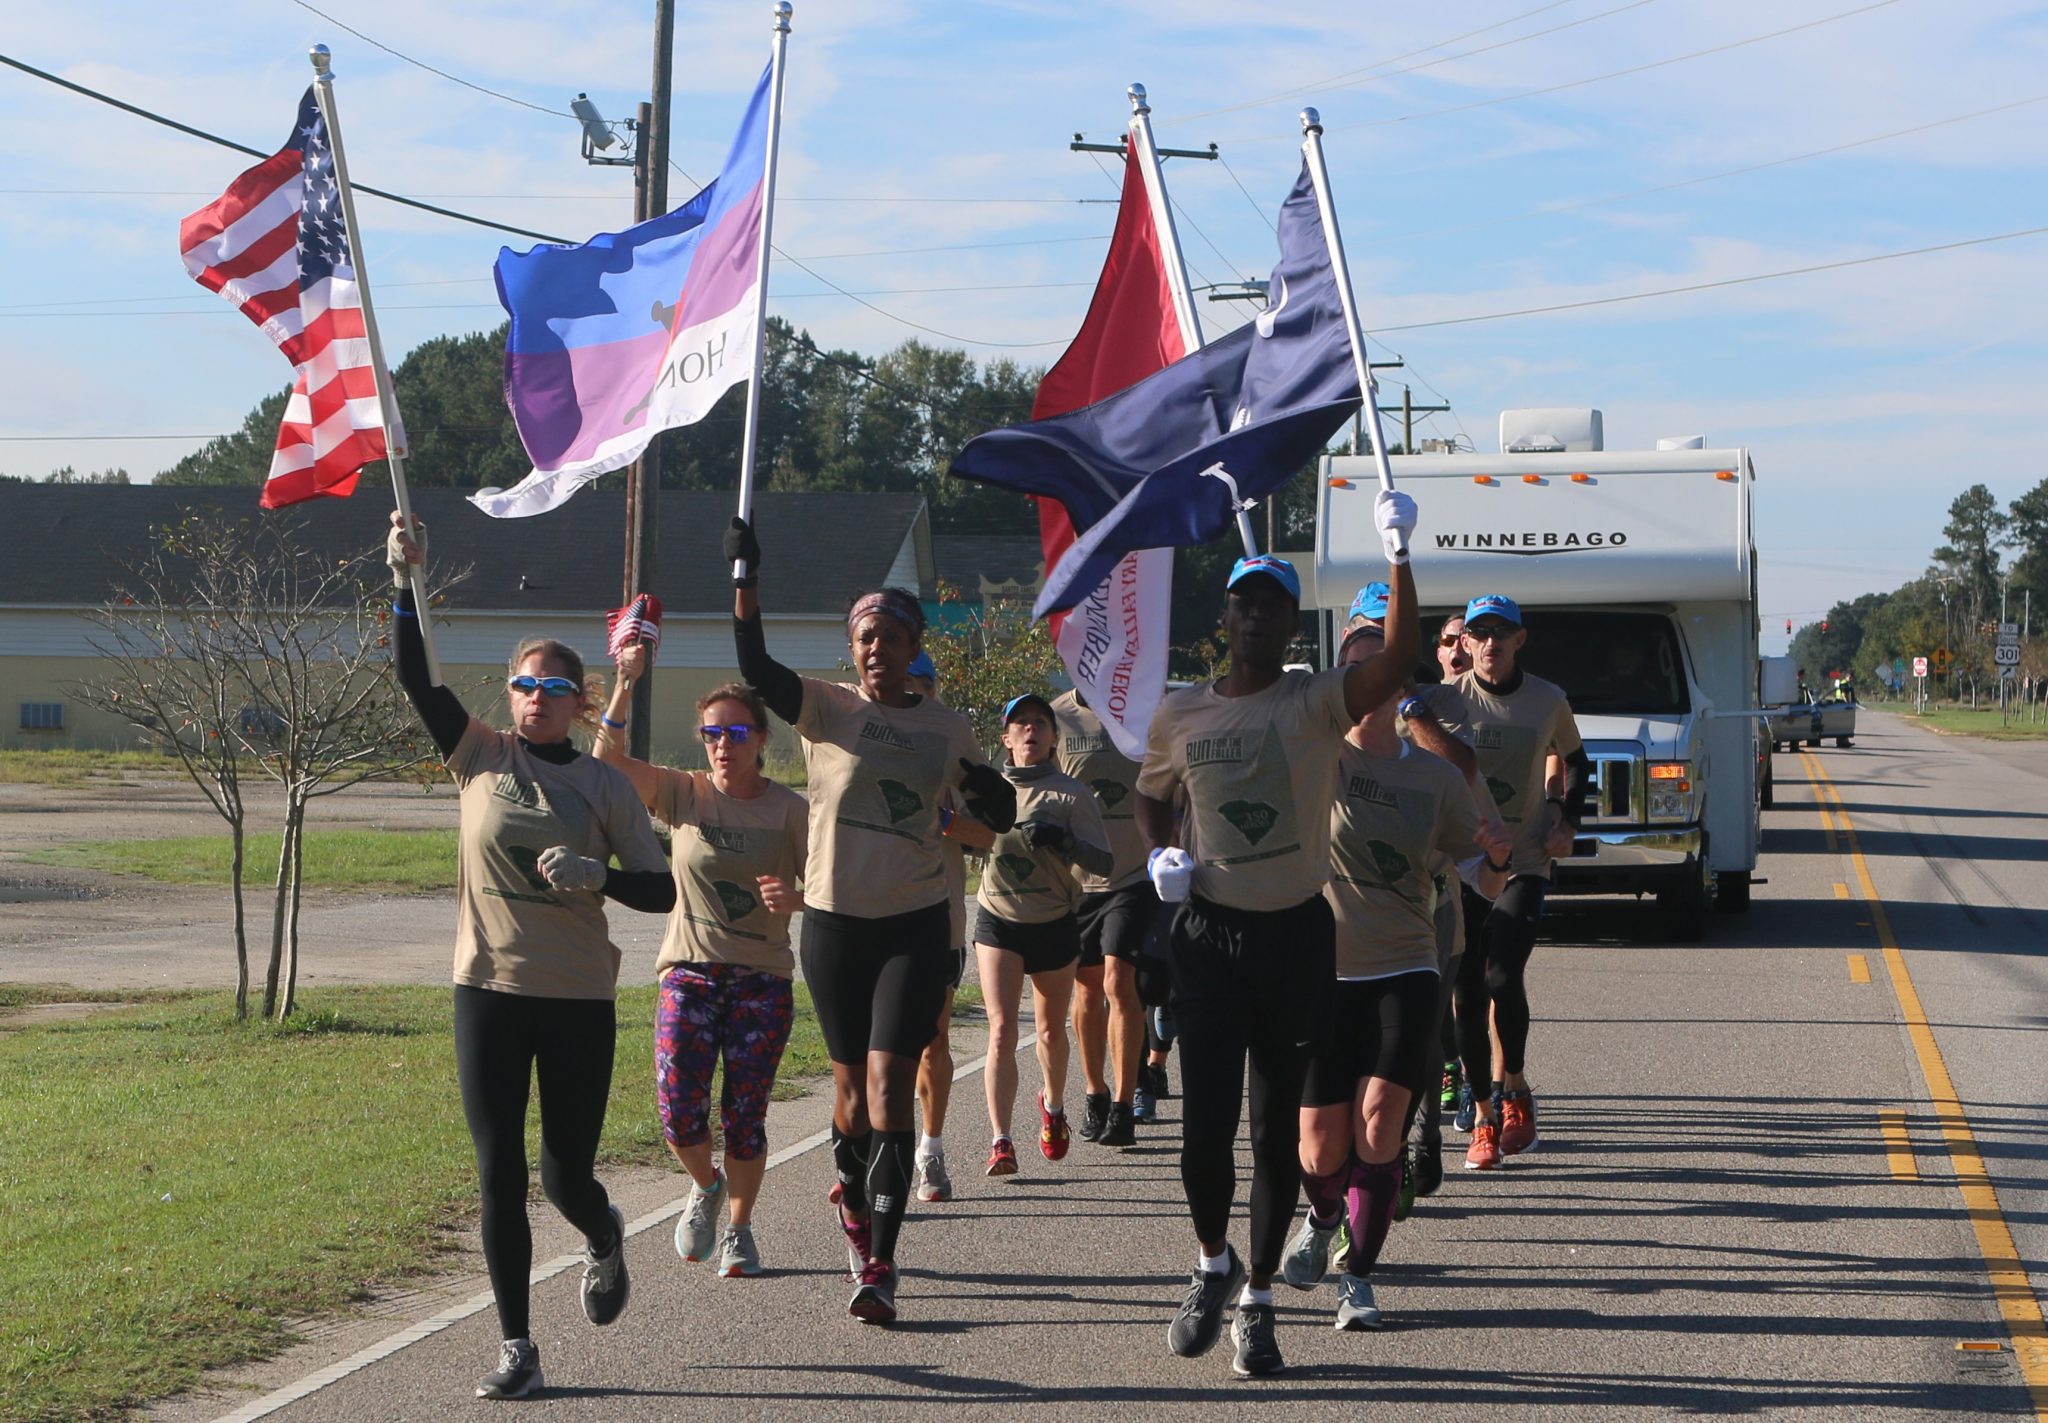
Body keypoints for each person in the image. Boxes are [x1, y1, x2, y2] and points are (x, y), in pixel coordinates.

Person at [384, 514, 675, 1400]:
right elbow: (413, 676)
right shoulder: (478, 753)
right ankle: (517, 1343)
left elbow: (661, 890)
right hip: (488, 990)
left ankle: (604, 1233)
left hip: (577, 997)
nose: (538, 695)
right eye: (524, 682)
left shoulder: (602, 782)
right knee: (497, 1173)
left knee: (563, 1176)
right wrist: (404, 578)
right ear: (508, 694)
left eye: (555, 685)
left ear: (583, 700)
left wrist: (600, 873)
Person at [1136, 487, 1420, 1381]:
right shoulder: (1182, 711)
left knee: (1272, 1136)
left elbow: (1400, 660)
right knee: (1201, 1133)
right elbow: (1151, 793)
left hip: (1296, 936)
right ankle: (1213, 1260)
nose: (1256, 615)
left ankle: (1257, 1299)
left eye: (1272, 603)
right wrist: (1159, 857)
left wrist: (1399, 557)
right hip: (1208, 937)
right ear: (1225, 613)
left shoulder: (1314, 701)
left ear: (1292, 622)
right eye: (1244, 600)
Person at [724, 516, 1015, 1323]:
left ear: (914, 643)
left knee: (889, 1085)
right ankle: (853, 1203)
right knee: (848, 1095)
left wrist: (995, 800)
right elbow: (754, 665)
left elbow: (989, 807)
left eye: (889, 635)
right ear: (850, 649)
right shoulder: (826, 710)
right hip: (835, 926)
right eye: (863, 637)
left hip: (916, 924)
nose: (875, 647)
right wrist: (745, 578)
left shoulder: (944, 724)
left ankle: (881, 1263)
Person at [1281, 618, 1511, 1329]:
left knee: (1380, 1127)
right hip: (1323, 971)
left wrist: (1497, 857)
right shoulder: (1314, 758)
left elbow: (1484, 877)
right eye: (1354, 666)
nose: (1367, 678)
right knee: (1319, 1146)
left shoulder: (1435, 776)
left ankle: (1358, 1273)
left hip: (1406, 964)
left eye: (1381, 666)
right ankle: (1321, 1217)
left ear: (1402, 684)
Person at [593, 645, 807, 1279]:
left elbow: (829, 884)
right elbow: (604, 765)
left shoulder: (789, 810)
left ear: (761, 739)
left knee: (745, 1114)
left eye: (736, 732)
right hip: (689, 968)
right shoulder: (683, 794)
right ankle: (706, 1186)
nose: (722, 743)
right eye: (712, 732)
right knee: (677, 1106)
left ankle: (739, 1228)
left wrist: (797, 898)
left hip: (762, 979)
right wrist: (625, 685)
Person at [1439, 595, 1588, 1171]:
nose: (1491, 641)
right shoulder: (1445, 703)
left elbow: (1576, 759)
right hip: (1464, 865)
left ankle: (1517, 1089)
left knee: (1503, 974)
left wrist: (1565, 819)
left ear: (1520, 639)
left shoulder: (1546, 700)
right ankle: (1482, 1116)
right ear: (1465, 642)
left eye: (1502, 632)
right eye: (1480, 632)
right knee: (1467, 995)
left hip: (1525, 858)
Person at [949, 693, 1113, 1174]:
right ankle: (1000, 1140)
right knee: (1000, 1029)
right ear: (1005, 738)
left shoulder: (1071, 794)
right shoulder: (987, 788)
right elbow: (954, 835)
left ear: (1053, 738)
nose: (1031, 730)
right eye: (1020, 724)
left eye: (1040, 723)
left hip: (1053, 921)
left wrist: (1064, 841)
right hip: (998, 918)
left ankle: (1054, 1106)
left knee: (1048, 1030)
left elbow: (1104, 862)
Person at [1051, 687, 1157, 1149]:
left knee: (1119, 982)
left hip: (1132, 876)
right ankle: (1094, 1093)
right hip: (1076, 882)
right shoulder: (1056, 718)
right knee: (1088, 989)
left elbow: (1173, 782)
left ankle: (1123, 1104)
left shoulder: (1146, 711)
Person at [905, 650, 964, 1205]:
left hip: (939, 920)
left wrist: (944, 816)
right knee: (874, 1050)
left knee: (932, 1042)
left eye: (921, 684)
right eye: (905, 684)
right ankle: (871, 1147)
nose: (913, 693)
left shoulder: (950, 749)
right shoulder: (862, 744)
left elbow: (988, 832)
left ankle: (930, 1148)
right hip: (871, 918)